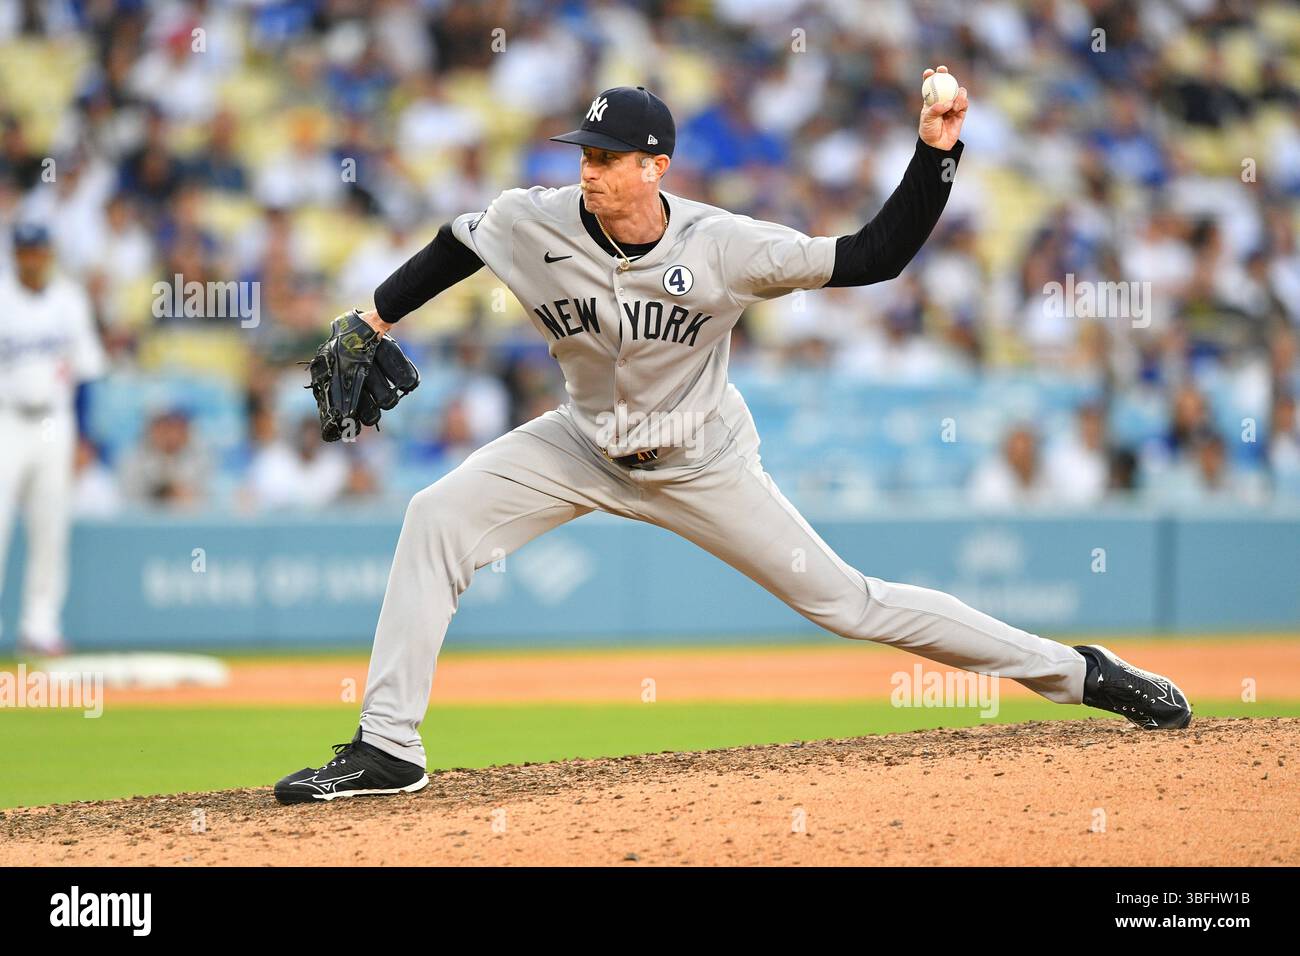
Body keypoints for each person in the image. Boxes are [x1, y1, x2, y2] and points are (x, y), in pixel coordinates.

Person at [275, 76, 1193, 804]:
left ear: (657, 165)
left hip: (700, 460)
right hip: (580, 444)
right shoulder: (535, 218)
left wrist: (936, 153)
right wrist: (371, 318)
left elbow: (873, 256)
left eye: (606, 156)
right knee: (436, 516)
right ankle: (388, 747)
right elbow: (458, 243)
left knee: (852, 603)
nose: (588, 171)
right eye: (583, 153)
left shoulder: (727, 247)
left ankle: (1081, 673)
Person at [0, 223, 106, 657]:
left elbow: (86, 372)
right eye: (26, 251)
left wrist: (83, 434)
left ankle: (40, 626)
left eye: (39, 250)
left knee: (50, 527)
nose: (33, 258)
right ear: (15, 254)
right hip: (6, 418)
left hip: (54, 421)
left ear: (49, 252)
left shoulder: (69, 298)